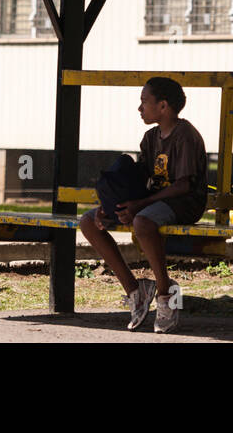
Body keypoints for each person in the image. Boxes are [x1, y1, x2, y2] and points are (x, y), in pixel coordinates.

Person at [78, 76, 207, 334]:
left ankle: (165, 292)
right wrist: (110, 206)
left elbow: (184, 186)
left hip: (183, 203)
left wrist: (139, 205)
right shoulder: (150, 137)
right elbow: (140, 178)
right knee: (89, 221)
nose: (140, 109)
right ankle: (135, 290)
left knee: (142, 222)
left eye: (144, 102)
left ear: (163, 106)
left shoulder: (185, 135)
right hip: (151, 202)